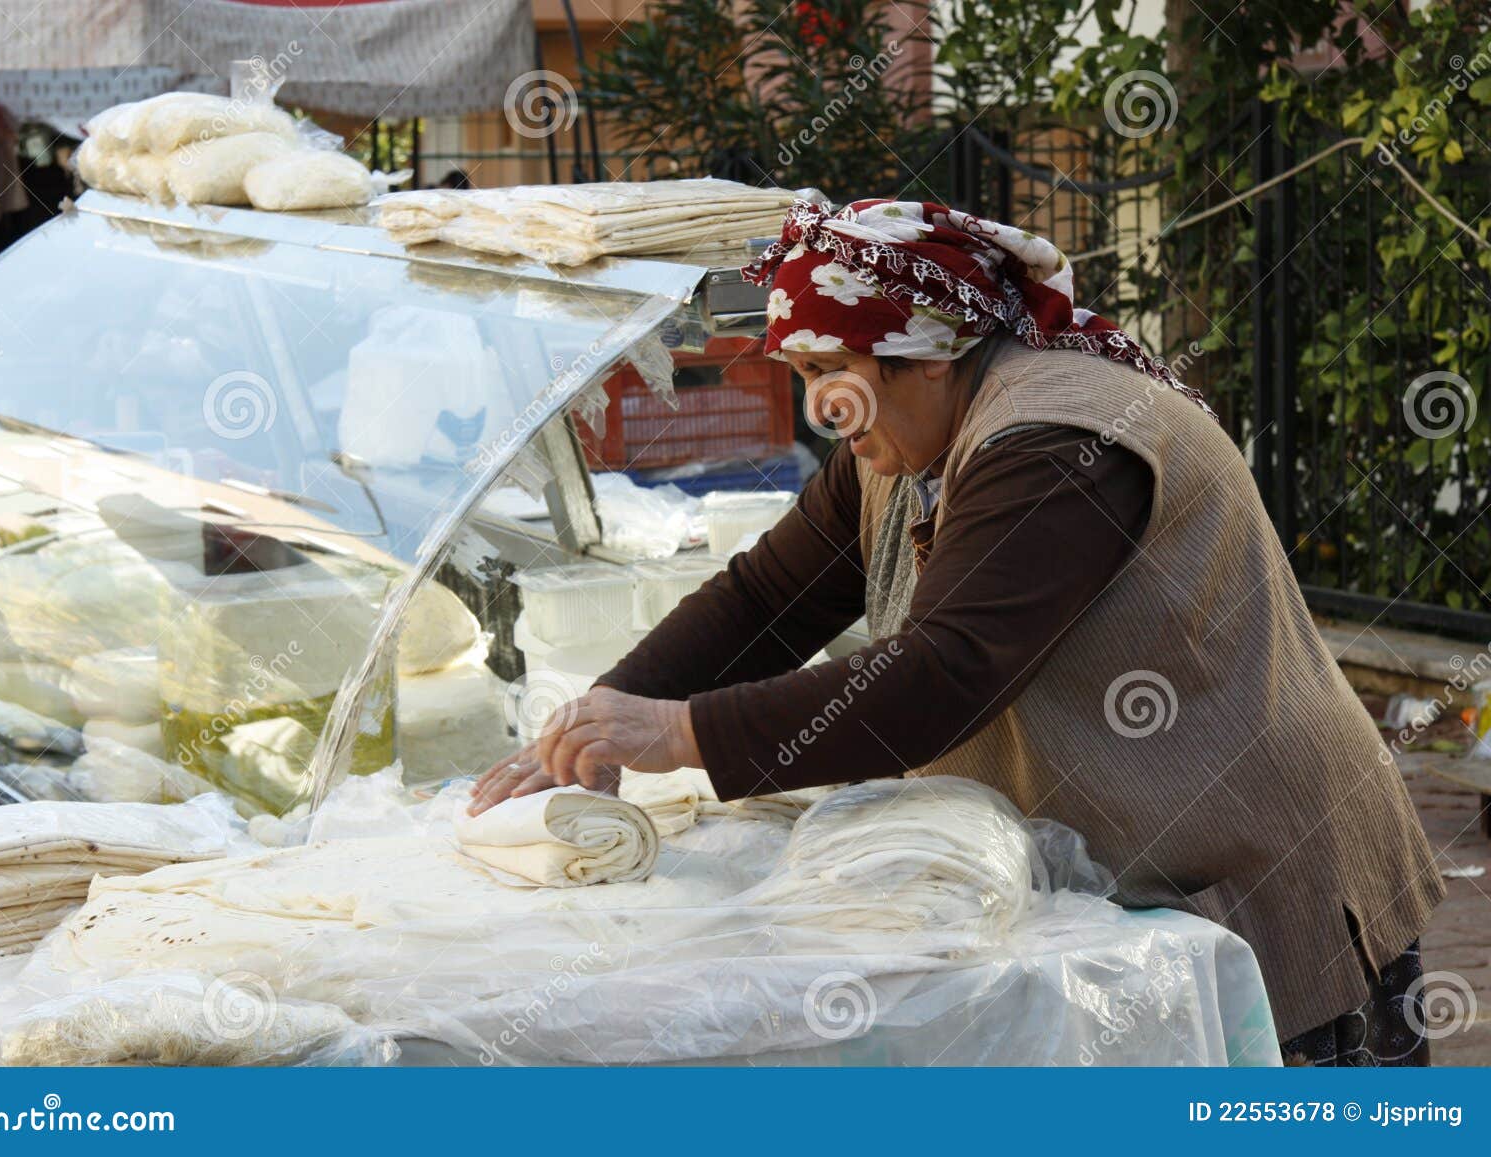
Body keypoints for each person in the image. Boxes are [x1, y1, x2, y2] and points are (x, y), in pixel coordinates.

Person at [471, 196, 1444, 1066]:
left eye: (832, 372)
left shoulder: (1062, 445)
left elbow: (943, 672)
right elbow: (765, 599)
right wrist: (604, 713)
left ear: (930, 355)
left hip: (1247, 861)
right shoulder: (903, 440)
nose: (825, 413)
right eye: (804, 375)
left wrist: (678, 736)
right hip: (1134, 857)